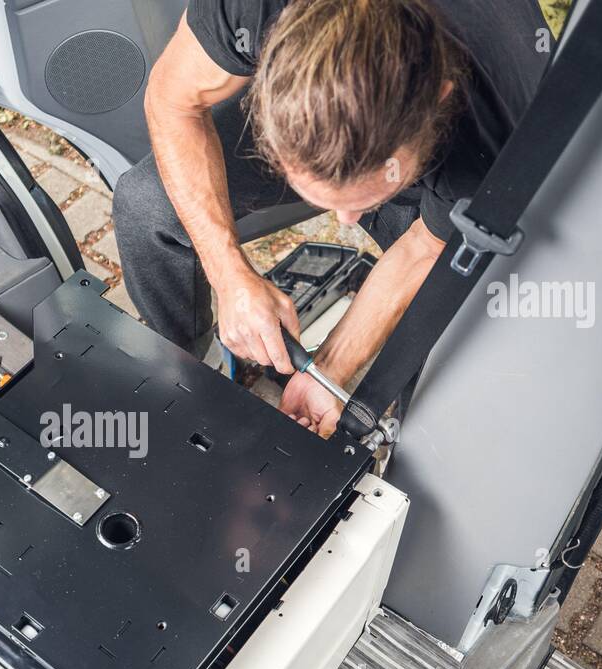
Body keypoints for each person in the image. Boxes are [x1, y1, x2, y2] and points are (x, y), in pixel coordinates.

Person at [113, 0, 549, 436]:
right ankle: (192, 378)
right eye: (328, 198)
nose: (344, 220)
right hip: (343, 125)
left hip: (444, 164)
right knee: (147, 204)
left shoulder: (495, 126)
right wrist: (226, 273)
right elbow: (175, 101)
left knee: (441, 337)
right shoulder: (251, 8)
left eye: (361, 199)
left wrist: (328, 374)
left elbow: (425, 249)